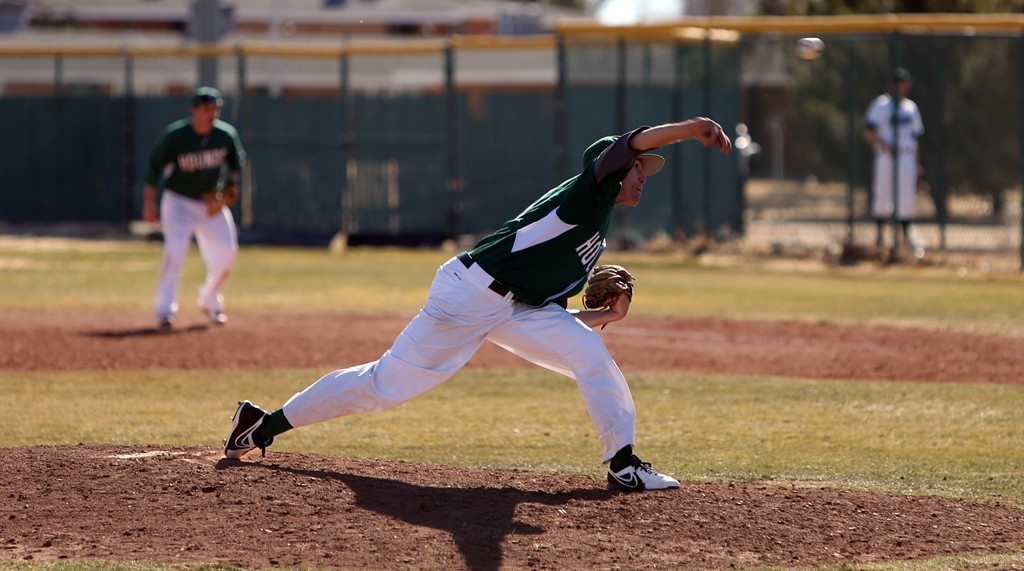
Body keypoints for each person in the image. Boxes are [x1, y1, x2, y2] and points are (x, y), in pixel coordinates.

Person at [224, 117, 732, 492]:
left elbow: (544, 319)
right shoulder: (587, 194)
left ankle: (622, 462)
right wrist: (692, 130)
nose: (643, 175)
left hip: (507, 303)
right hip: (470, 295)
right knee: (387, 385)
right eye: (638, 169)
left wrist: (602, 317)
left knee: (588, 352)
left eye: (646, 171)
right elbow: (631, 142)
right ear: (613, 170)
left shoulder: (594, 229)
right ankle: (262, 424)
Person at [143, 87, 246, 331]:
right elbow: (153, 170)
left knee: (228, 254)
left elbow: (236, 162)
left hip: (211, 204)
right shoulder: (176, 136)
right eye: (207, 109)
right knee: (175, 252)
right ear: (194, 110)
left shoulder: (225, 135)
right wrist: (149, 204)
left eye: (215, 109)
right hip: (179, 202)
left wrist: (230, 186)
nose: (212, 114)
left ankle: (210, 300)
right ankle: (165, 310)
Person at [863, 67, 924, 250]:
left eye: (904, 84)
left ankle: (905, 239)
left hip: (907, 156)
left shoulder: (911, 108)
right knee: (882, 195)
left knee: (906, 198)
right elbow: (868, 132)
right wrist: (885, 145)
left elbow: (915, 138)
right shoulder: (881, 105)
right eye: (898, 83)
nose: (901, 87)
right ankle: (880, 239)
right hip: (886, 156)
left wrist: (918, 164)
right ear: (891, 85)